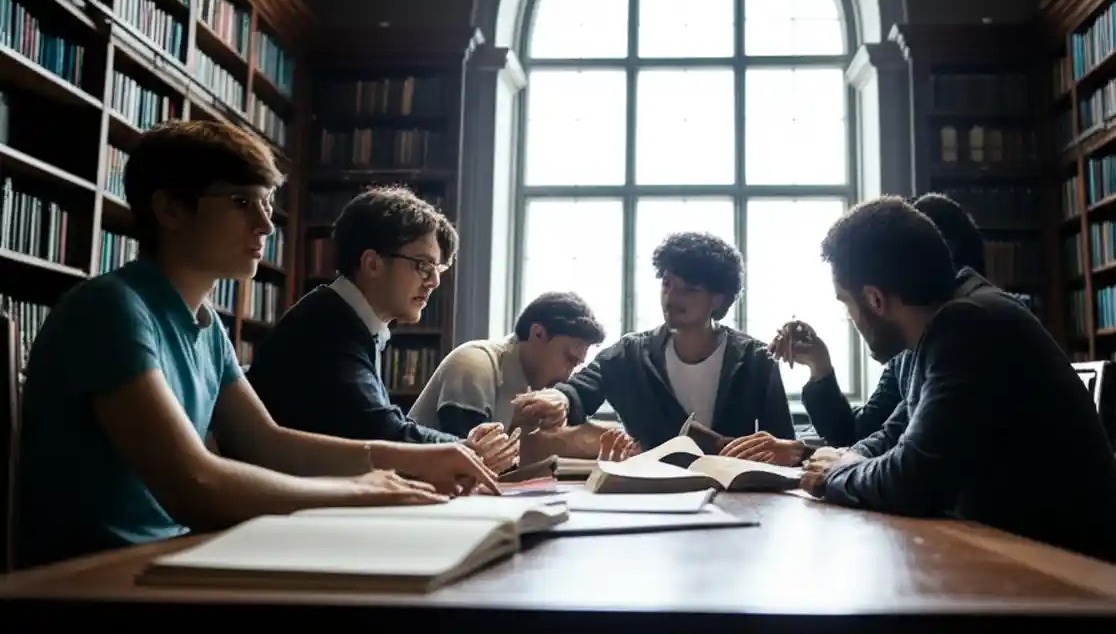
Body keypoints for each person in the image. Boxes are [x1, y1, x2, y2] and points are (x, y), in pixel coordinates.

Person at [15, 122, 498, 570]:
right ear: (170, 210)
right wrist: (358, 490)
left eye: (267, 205)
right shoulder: (112, 310)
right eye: (242, 203)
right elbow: (195, 484)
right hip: (93, 575)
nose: (266, 226)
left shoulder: (205, 326)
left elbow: (266, 443)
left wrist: (416, 460)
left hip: (172, 554)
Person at [798, 196, 1116, 556]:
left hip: (1072, 577)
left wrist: (836, 474)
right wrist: (849, 458)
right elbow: (895, 435)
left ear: (875, 300)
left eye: (847, 305)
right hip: (1013, 553)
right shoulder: (936, 325)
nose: (852, 319)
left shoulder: (968, 326)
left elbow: (912, 480)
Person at [247, 186, 519, 473]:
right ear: (372, 263)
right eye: (422, 265)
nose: (434, 281)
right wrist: (466, 451)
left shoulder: (346, 317)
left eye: (438, 268)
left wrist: (461, 447)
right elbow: (377, 430)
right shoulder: (328, 327)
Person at [739, 193, 989, 456]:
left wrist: (814, 459)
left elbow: (912, 466)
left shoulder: (965, 328)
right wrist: (820, 367)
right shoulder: (910, 343)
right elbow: (866, 435)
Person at [554, 232, 796, 459]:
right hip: (650, 493)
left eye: (688, 289)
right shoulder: (629, 355)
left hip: (735, 496)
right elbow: (577, 392)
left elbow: (782, 444)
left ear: (718, 299)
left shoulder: (755, 359)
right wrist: (557, 400)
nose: (672, 297)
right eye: (667, 284)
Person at [408, 291, 635, 459]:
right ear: (537, 333)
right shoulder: (475, 363)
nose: (567, 377)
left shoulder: (532, 386)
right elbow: (470, 462)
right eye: (568, 359)